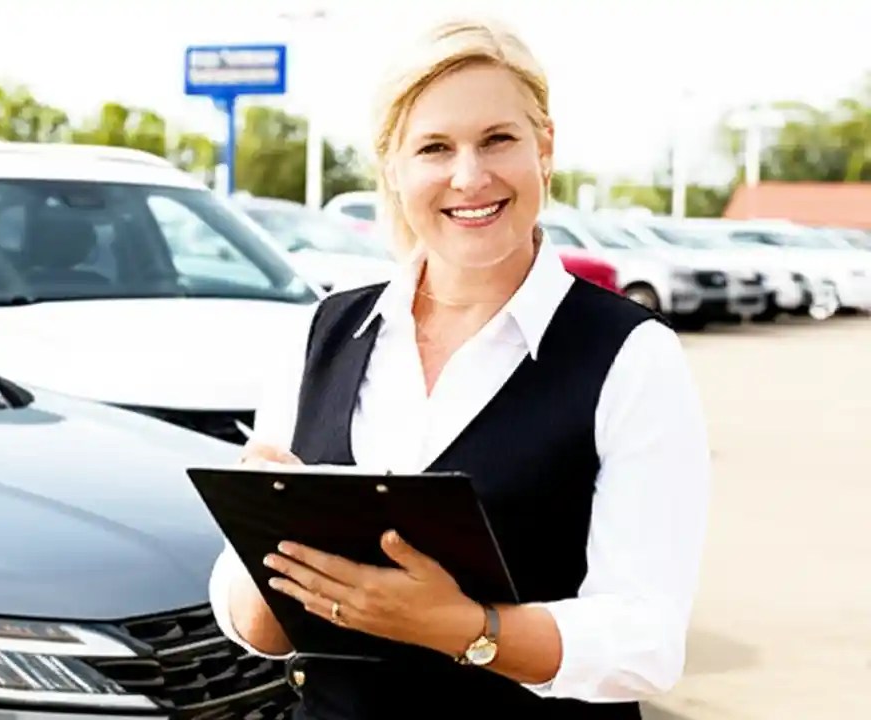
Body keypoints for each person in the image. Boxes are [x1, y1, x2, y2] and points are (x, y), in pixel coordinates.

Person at [207, 16, 711, 720]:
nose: (469, 177)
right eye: (435, 147)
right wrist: (261, 554)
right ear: (393, 167)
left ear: (545, 146)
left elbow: (646, 643)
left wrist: (467, 628)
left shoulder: (630, 355)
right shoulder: (319, 334)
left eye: (497, 140)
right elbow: (256, 627)